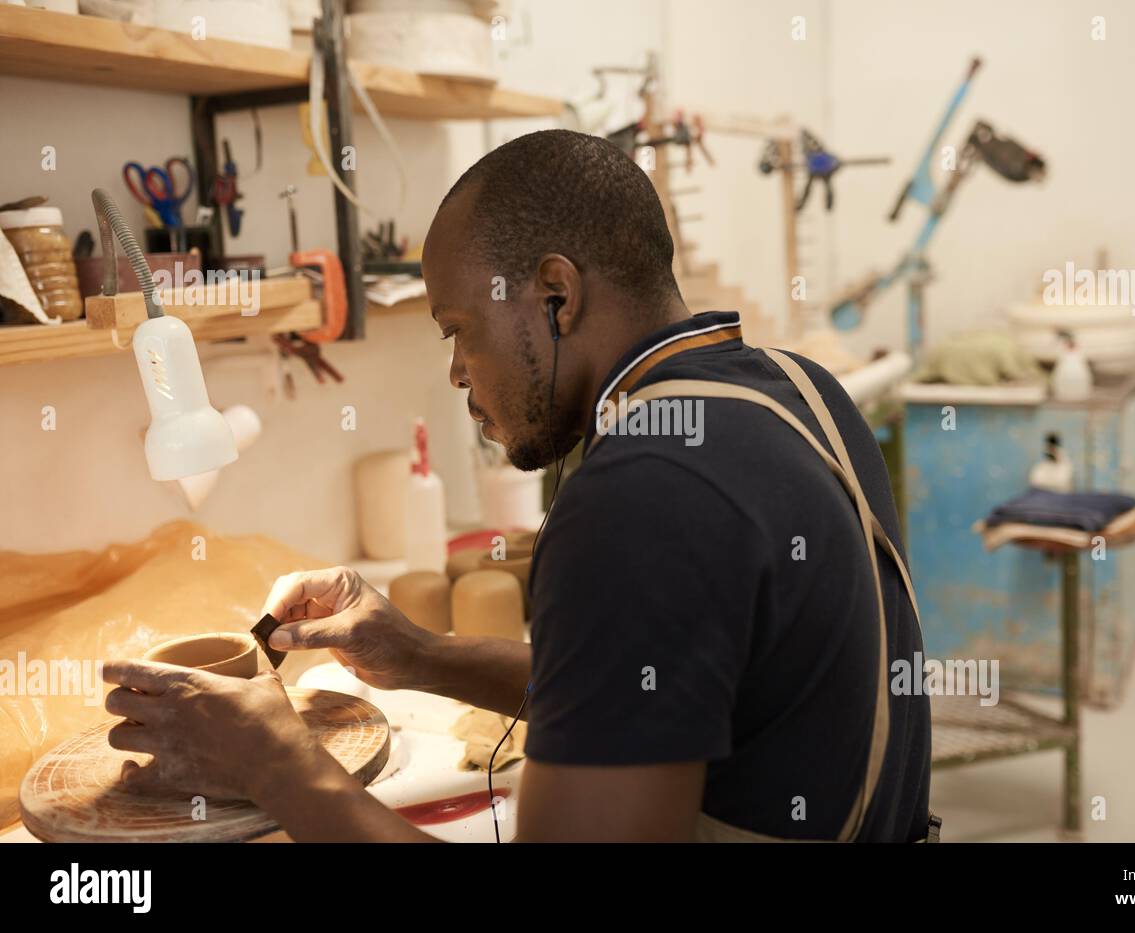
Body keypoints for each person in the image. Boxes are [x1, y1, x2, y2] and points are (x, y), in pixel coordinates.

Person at [103, 129, 931, 842]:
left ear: (556, 295)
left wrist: (274, 763)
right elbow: (657, 685)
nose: (459, 371)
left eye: (458, 330)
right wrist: (420, 653)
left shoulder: (637, 496)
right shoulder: (798, 390)